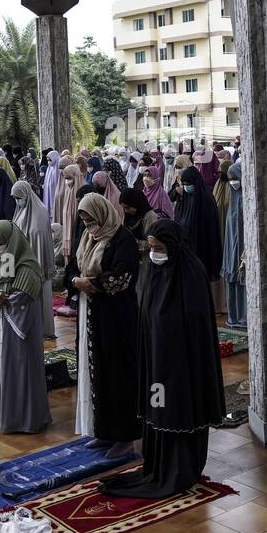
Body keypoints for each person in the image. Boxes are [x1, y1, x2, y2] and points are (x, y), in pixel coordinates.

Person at [102, 218, 225, 498]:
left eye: (158, 247)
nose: (154, 253)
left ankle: (182, 468)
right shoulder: (155, 273)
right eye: (151, 248)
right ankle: (158, 465)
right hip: (157, 365)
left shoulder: (191, 273)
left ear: (172, 245)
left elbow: (196, 328)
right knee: (158, 412)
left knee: (178, 412)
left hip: (183, 368)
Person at [65, 193, 140, 457]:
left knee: (117, 373)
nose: (88, 226)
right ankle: (104, 430)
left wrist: (92, 284)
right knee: (95, 372)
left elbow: (123, 277)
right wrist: (77, 282)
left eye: (91, 220)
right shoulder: (87, 238)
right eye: (84, 221)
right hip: (91, 314)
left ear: (102, 214)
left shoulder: (123, 239)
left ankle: (125, 435)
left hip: (116, 317)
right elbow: (71, 270)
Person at [0, 219, 52, 433]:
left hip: (21, 327)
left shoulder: (28, 265)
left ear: (9, 240)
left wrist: (7, 298)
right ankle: (6, 415)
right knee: (5, 368)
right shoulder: (2, 259)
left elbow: (26, 295)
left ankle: (26, 419)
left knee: (22, 368)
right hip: (4, 325)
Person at [11, 179, 56, 338]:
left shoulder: (40, 213)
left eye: (19, 198)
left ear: (26, 195)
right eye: (15, 198)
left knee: (39, 298)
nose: (17, 201)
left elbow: (37, 241)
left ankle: (42, 329)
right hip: (21, 263)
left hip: (36, 265)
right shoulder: (20, 210)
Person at [175, 166, 223, 295]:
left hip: (202, 248)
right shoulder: (187, 198)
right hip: (188, 248)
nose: (186, 187)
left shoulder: (206, 200)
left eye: (189, 184)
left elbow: (210, 230)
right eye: (184, 184)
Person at [222, 161, 247, 329]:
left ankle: (245, 317)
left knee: (244, 281)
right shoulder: (232, 197)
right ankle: (235, 317)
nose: (232, 181)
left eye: (235, 178)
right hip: (231, 250)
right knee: (233, 280)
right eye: (229, 178)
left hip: (244, 250)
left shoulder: (248, 199)